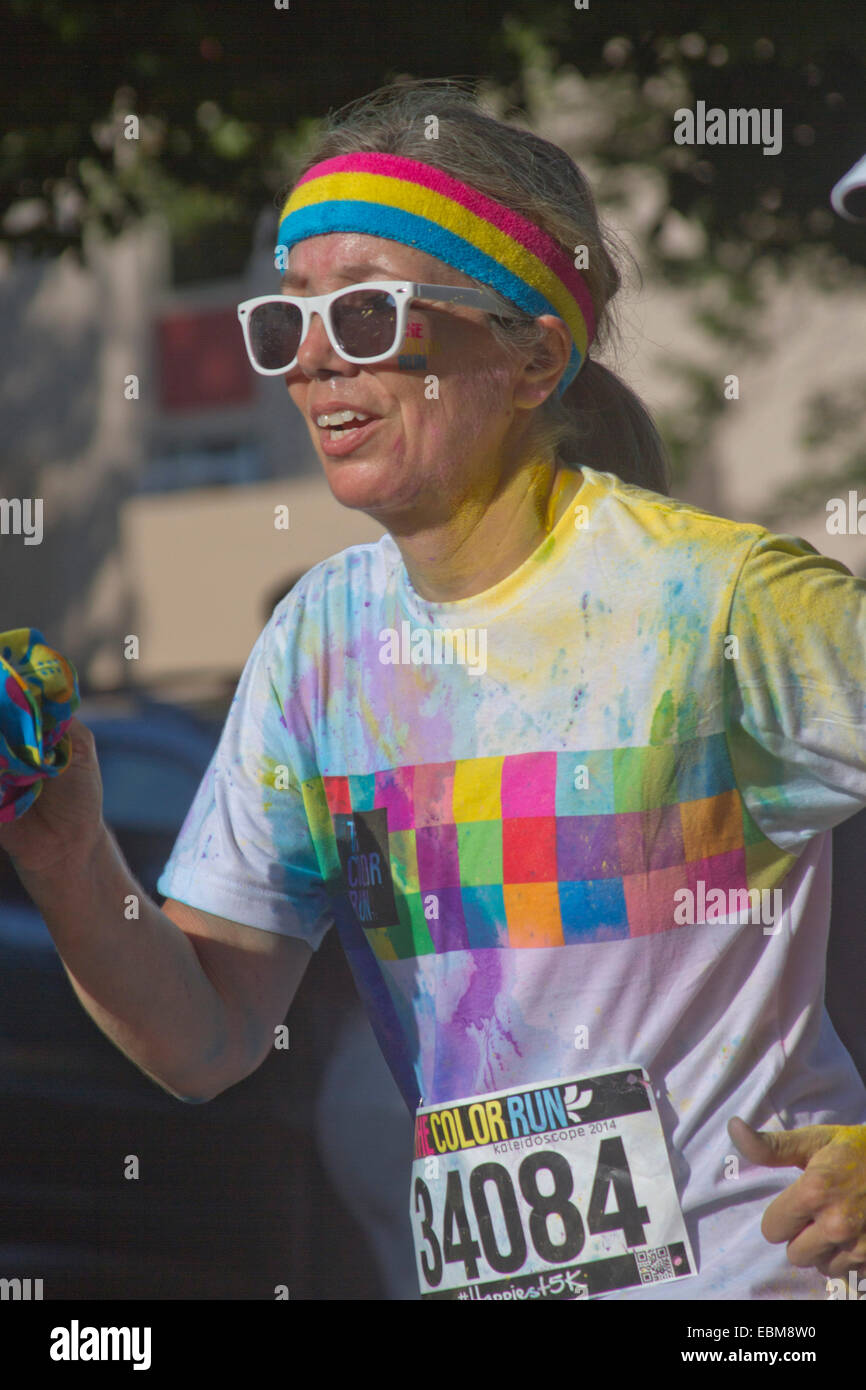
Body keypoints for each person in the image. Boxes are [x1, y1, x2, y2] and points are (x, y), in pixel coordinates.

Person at [2, 79, 865, 1302]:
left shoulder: (718, 603)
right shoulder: (319, 643)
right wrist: (69, 855)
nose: (309, 361)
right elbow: (203, 1038)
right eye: (287, 320)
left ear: (530, 358)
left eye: (364, 315)